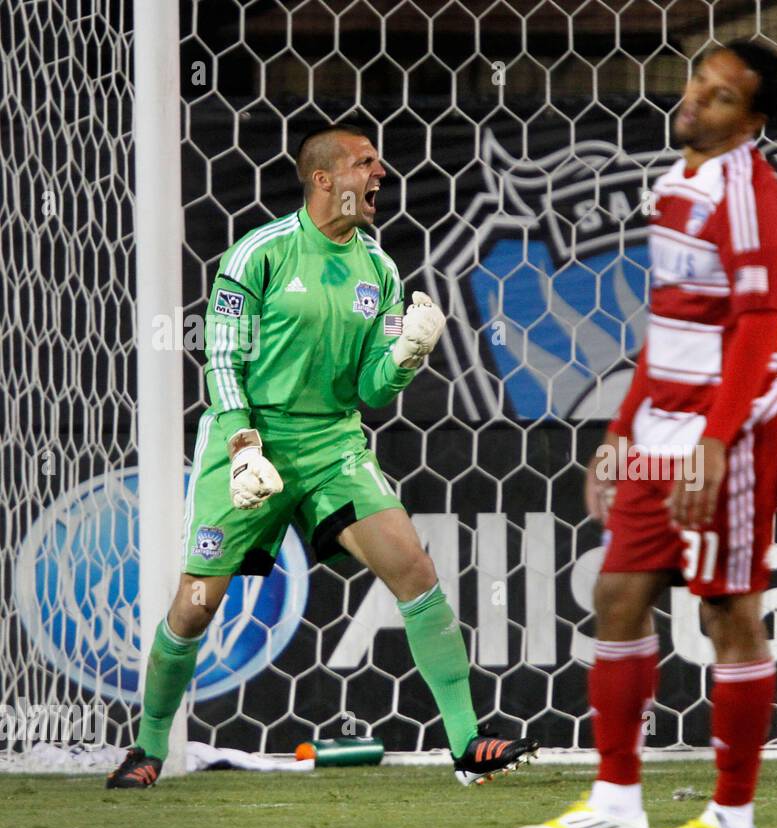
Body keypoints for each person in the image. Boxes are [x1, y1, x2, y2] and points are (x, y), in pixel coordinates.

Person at [107, 124, 538, 788]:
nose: (381, 173)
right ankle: (149, 747)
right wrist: (243, 445)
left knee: (414, 569)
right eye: (367, 163)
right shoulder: (259, 254)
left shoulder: (381, 270)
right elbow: (221, 358)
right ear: (324, 179)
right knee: (195, 602)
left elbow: (370, 389)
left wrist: (406, 357)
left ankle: (465, 742)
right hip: (248, 440)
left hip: (334, 443)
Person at [506, 40, 777, 828]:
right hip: (660, 428)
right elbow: (669, 321)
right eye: (697, 85)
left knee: (726, 613)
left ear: (753, 122)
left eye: (721, 97)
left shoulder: (753, 196)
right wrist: (622, 427)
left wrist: (714, 439)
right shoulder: (676, 183)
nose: (696, 102)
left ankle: (731, 822)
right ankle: (615, 801)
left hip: (730, 433)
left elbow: (756, 328)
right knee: (619, 593)